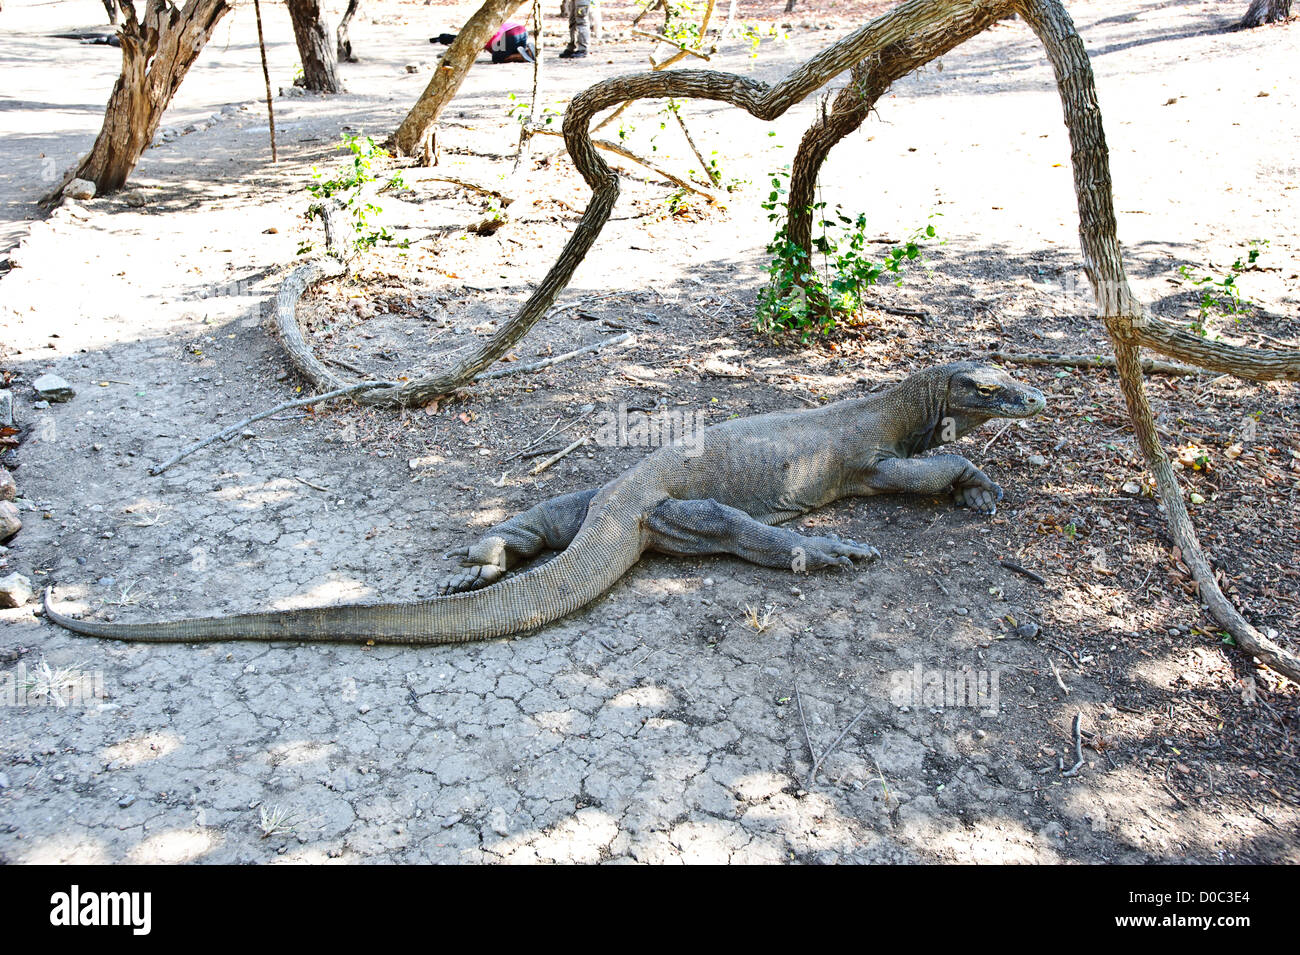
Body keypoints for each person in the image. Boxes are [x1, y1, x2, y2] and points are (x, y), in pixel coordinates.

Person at [430, 20, 535, 64]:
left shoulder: (478, 38)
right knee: (506, 51)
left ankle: (523, 56)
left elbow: (460, 41)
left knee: (498, 58)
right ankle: (526, 51)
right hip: (521, 30)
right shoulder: (486, 31)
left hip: (508, 34)